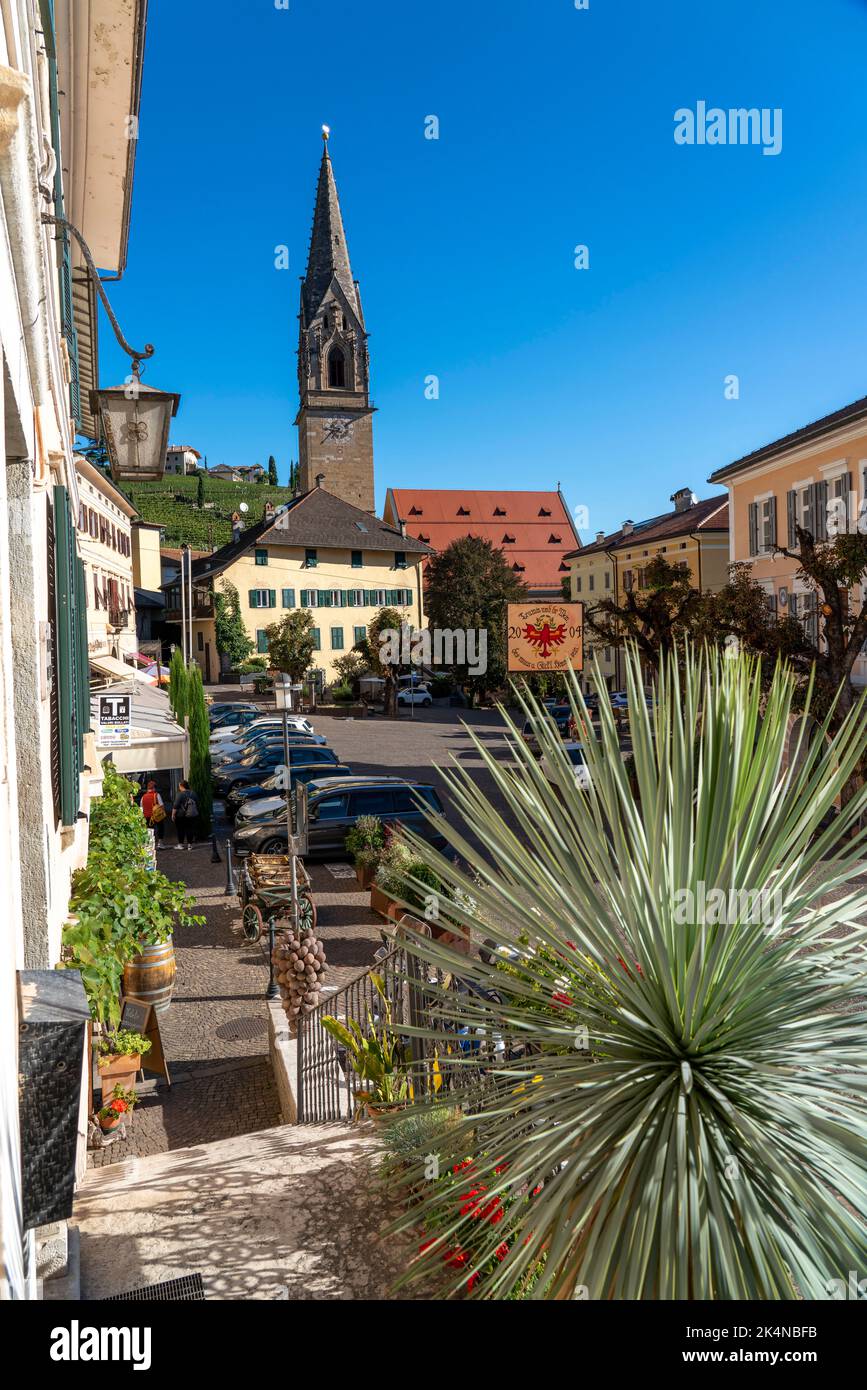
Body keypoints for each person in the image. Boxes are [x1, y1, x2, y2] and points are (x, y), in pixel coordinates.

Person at [172, 780, 199, 850]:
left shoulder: (180, 794)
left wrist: (173, 815)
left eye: (179, 786)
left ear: (181, 786)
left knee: (180, 830)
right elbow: (197, 803)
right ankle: (190, 845)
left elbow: (175, 806)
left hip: (181, 815)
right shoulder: (193, 793)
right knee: (190, 829)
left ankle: (181, 844)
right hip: (192, 815)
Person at [140, 779, 167, 846]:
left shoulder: (143, 797)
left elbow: (141, 807)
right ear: (154, 788)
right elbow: (161, 805)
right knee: (160, 828)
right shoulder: (156, 795)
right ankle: (160, 843)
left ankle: (150, 844)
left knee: (149, 830)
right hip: (157, 815)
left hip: (147, 816)